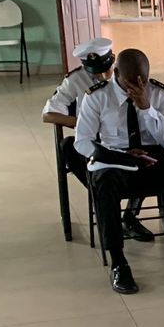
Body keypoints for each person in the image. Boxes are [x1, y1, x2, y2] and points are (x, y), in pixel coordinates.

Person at [73, 48, 164, 293]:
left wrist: (146, 108)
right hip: (115, 161)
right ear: (117, 73)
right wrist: (120, 155)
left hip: (153, 160)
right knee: (104, 186)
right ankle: (119, 263)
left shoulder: (158, 93)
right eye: (132, 81)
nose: (138, 86)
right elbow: (82, 142)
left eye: (143, 80)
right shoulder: (97, 97)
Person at [42, 37, 154, 245]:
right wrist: (82, 121)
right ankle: (102, 199)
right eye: (94, 72)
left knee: (145, 149)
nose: (102, 76)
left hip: (124, 140)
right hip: (94, 143)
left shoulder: (127, 74)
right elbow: (48, 114)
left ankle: (130, 215)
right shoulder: (75, 80)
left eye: (106, 69)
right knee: (67, 146)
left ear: (112, 61)